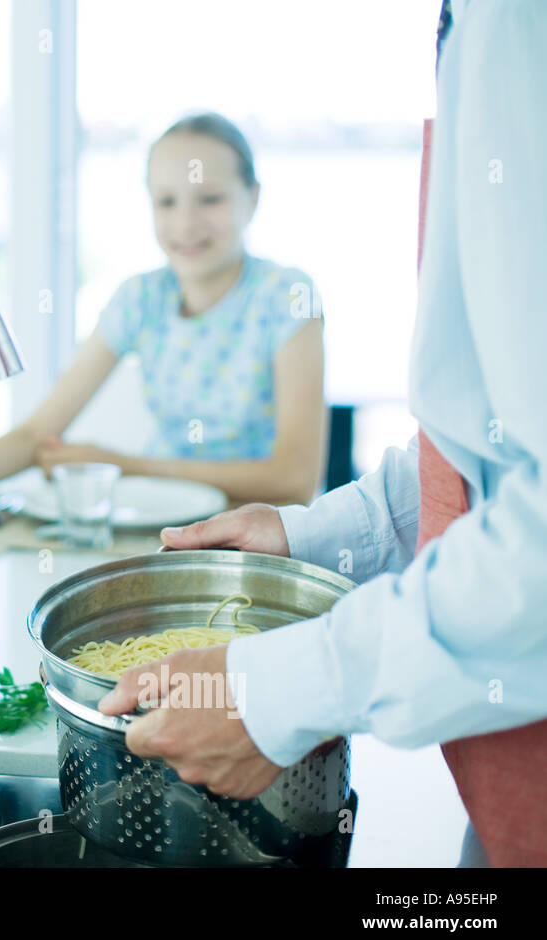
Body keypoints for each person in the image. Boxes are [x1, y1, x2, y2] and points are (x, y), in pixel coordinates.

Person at [100, 0, 546, 867]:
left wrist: (277, 694)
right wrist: (314, 534)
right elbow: (488, 452)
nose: (186, 218)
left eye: (209, 195)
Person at [0, 112, 327, 523]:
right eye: (166, 201)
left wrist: (125, 466)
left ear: (253, 198)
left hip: (267, 538)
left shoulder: (286, 296)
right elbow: (32, 436)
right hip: (175, 532)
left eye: (210, 199)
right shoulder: (140, 299)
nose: (186, 223)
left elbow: (295, 477)